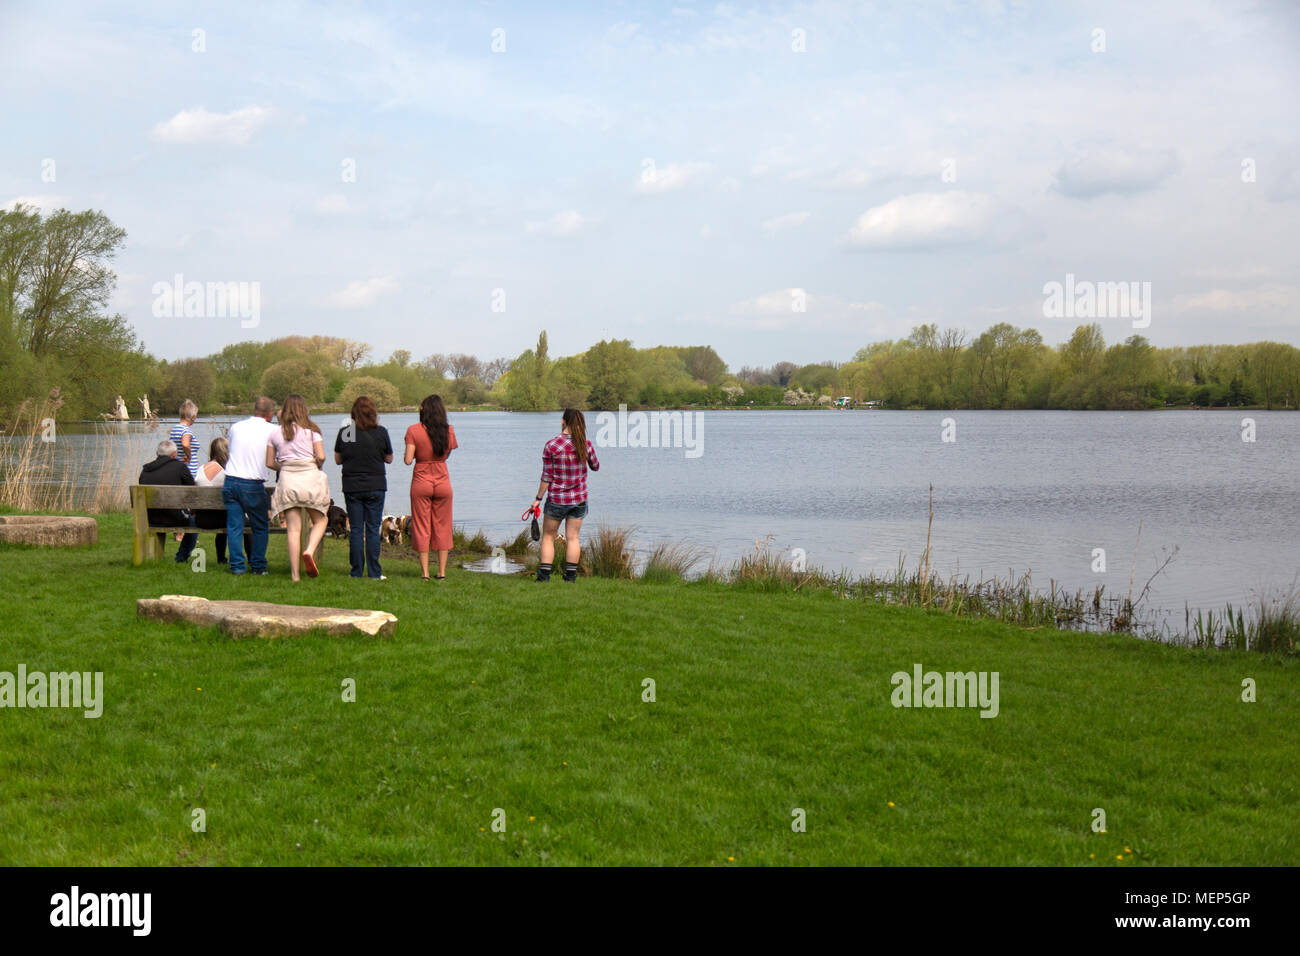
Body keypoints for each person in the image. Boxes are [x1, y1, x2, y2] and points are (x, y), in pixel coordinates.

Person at [528, 408, 600, 582]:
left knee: (548, 537)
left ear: (563, 421)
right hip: (579, 499)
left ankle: (544, 576)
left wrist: (538, 499)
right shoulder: (586, 444)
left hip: (557, 499)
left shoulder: (552, 445)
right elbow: (596, 466)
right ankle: (570, 576)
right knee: (573, 538)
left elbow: (547, 476)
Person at [267, 393, 330, 582]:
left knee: (293, 530)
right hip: (309, 478)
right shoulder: (312, 432)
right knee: (320, 520)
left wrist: (286, 467)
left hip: (288, 480)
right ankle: (309, 550)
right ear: (304, 410)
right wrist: (314, 464)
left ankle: (295, 576)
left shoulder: (275, 433)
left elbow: (269, 462)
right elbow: (321, 456)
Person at [334, 395, 393, 580]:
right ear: (373, 413)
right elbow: (389, 458)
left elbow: (337, 459)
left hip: (352, 486)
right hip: (376, 485)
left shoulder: (346, 432)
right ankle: (375, 572)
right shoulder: (381, 432)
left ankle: (356, 572)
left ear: (353, 413)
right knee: (373, 529)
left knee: (357, 530)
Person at [223, 397, 279, 575]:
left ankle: (237, 566)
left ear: (255, 409)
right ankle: (258, 565)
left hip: (231, 480)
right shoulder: (273, 430)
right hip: (252, 483)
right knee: (260, 526)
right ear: (270, 414)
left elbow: (231, 449)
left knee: (234, 527)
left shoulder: (236, 427)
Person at [404, 394, 457, 580]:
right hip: (443, 481)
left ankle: (425, 572)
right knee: (443, 527)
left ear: (423, 411)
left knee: (421, 526)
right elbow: (446, 455)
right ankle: (441, 572)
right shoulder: (448, 430)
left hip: (421, 482)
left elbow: (408, 460)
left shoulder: (413, 430)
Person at [138, 438, 197, 562]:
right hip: (174, 517)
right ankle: (181, 557)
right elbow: (193, 491)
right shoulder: (180, 467)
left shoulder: (146, 470)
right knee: (194, 523)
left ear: (157, 453)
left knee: (164, 515)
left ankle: (155, 557)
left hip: (150, 517)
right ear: (174, 454)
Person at [194, 436, 249, 565]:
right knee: (246, 522)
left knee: (225, 514)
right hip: (219, 519)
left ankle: (221, 558)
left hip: (201, 519)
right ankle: (251, 557)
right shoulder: (226, 473)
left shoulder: (200, 470)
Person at [169, 400, 201, 480]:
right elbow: (185, 444)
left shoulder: (174, 429)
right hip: (188, 470)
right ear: (193, 417)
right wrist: (189, 457)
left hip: (176, 469)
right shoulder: (186, 430)